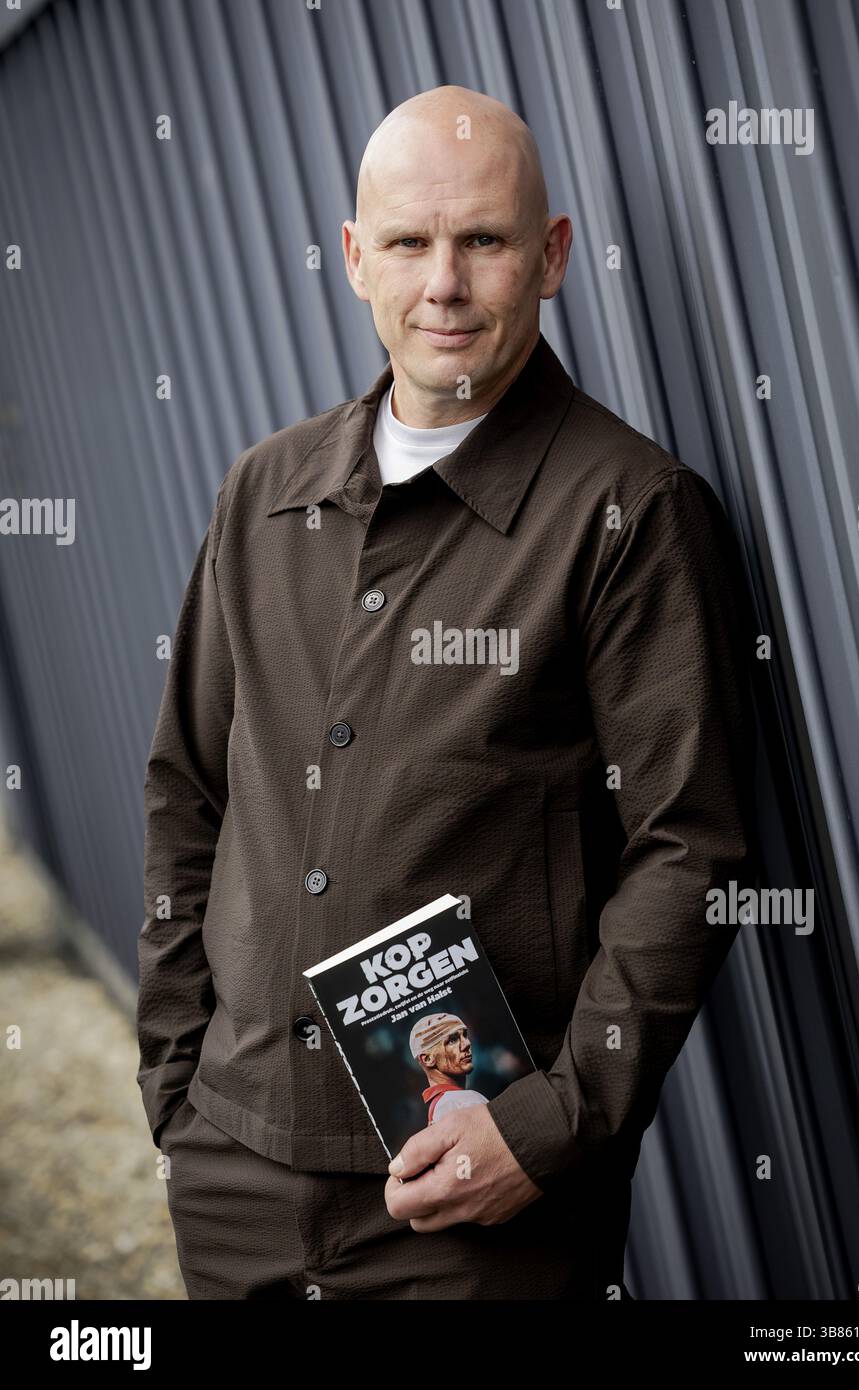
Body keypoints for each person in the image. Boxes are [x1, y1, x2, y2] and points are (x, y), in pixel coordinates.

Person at [137, 83, 758, 1301]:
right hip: (234, 1170)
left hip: (475, 1211)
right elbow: (187, 788)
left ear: (551, 256)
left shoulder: (629, 513)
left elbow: (687, 852)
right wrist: (175, 1082)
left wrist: (543, 1131)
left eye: (483, 240)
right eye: (411, 243)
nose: (445, 286)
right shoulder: (262, 493)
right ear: (357, 257)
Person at [410, 1013, 489, 1126]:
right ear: (428, 1059)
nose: (467, 1043)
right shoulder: (462, 1102)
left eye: (465, 1035)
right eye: (452, 1040)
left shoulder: (444, 1104)